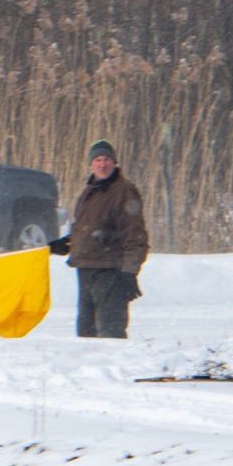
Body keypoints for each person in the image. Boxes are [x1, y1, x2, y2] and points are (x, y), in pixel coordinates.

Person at [49, 139, 147, 338]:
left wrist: (129, 273)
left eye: (107, 160)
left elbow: (135, 237)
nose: (102, 164)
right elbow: (89, 227)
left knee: (110, 333)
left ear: (115, 163)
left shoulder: (124, 191)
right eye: (98, 160)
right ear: (90, 165)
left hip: (110, 272)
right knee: (86, 334)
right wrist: (67, 243)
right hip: (85, 270)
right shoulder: (90, 191)